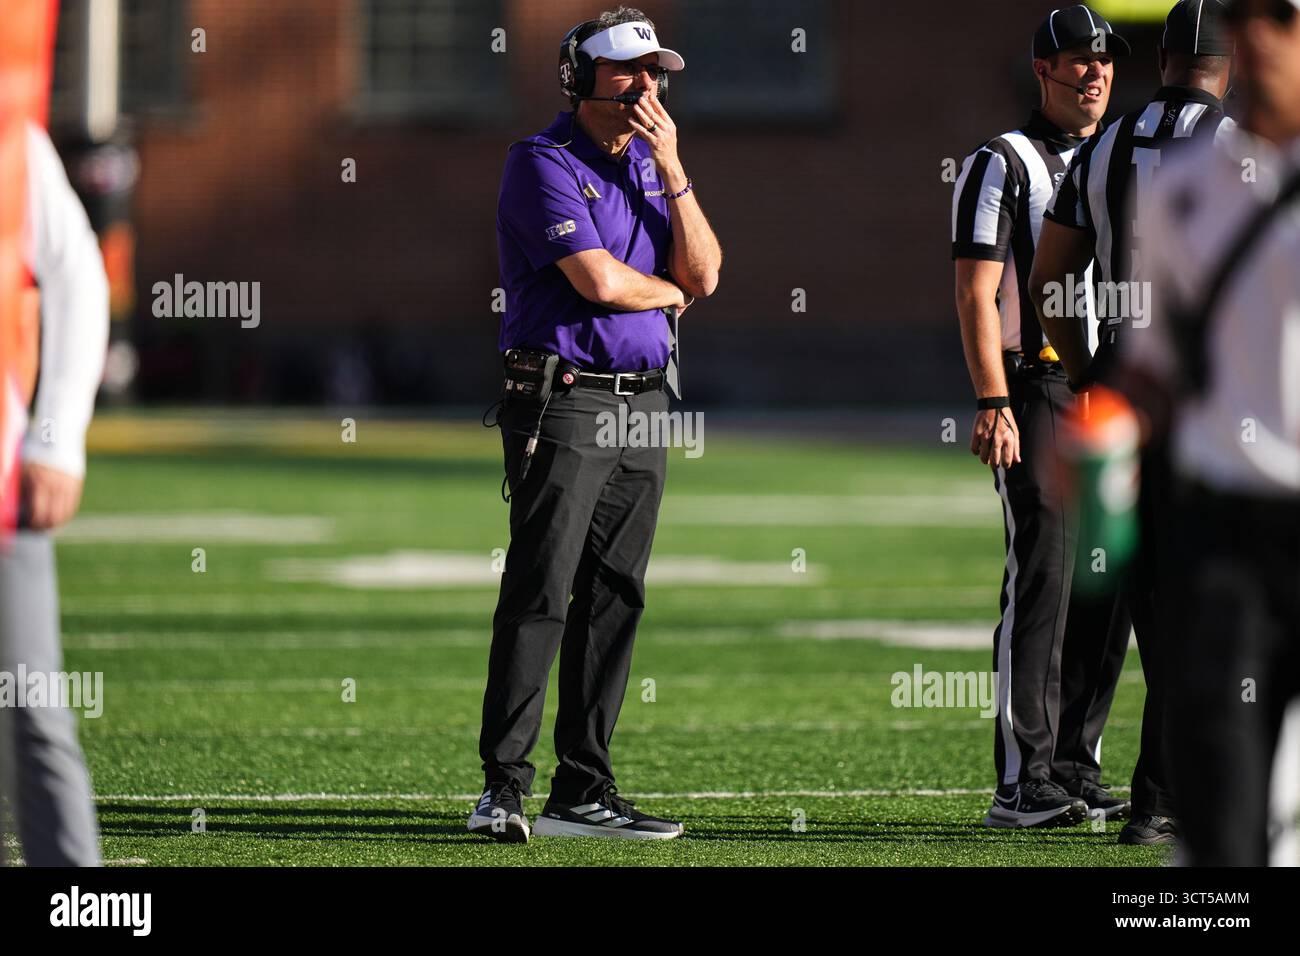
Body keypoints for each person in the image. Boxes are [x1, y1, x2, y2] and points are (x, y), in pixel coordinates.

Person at [469, 6, 721, 843]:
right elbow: (602, 284)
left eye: (655, 73)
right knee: (542, 586)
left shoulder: (655, 167)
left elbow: (709, 272)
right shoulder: (539, 163)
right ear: (580, 81)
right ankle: (501, 786)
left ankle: (584, 789)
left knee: (618, 592)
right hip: (566, 396)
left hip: (646, 400)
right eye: (627, 72)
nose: (647, 87)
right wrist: (669, 291)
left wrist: (675, 167)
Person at [1030, 0, 1235, 847]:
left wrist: (1087, 373)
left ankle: (1118, 779)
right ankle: (1163, 796)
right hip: (1200, 394)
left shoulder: (1106, 141)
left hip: (1116, 379)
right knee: (1208, 604)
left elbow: (1049, 279)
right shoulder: (1240, 145)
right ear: (1233, 62)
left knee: (1138, 595)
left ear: (1160, 60)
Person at [1116, 0, 1300, 866]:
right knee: (1220, 812)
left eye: (1283, 14)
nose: (1257, 34)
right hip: (1220, 531)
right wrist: (1102, 423)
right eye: (1242, 14)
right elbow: (1156, 368)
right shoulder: (1183, 185)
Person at [951, 4, 1132, 828]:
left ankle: (1075, 762)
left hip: (1112, 385)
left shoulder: (1119, 155)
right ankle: (1021, 779)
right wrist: (994, 399)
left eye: (1104, 60)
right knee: (1046, 571)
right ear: (1043, 70)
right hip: (1039, 385)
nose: (1094, 72)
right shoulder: (1002, 162)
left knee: (1110, 576)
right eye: (1077, 60)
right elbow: (976, 291)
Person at [0, 120, 109, 866]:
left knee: (33, 712)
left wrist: (56, 437)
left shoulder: (8, 136)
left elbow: (77, 273)